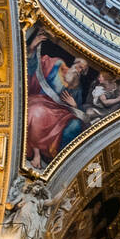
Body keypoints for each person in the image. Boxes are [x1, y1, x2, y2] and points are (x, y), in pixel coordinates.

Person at [24, 32, 90, 168]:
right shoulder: (56, 64)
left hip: (60, 112)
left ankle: (56, 162)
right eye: (79, 66)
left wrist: (75, 105)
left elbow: (79, 112)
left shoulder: (77, 87)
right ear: (74, 63)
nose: (79, 70)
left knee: (75, 125)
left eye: (82, 70)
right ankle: (36, 154)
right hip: (39, 99)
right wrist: (32, 48)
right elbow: (34, 68)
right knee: (36, 111)